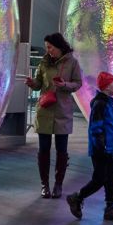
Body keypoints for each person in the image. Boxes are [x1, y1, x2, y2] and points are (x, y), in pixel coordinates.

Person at [67, 71, 113, 222]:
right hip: (101, 149)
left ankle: (110, 207)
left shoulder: (107, 102)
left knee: (111, 177)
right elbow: (96, 128)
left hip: (108, 148)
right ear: (107, 87)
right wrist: (102, 147)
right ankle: (77, 197)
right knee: (99, 179)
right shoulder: (100, 104)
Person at [27, 32, 82, 199]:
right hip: (44, 110)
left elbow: (78, 83)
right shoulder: (44, 63)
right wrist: (32, 84)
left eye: (50, 47)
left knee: (61, 151)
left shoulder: (72, 62)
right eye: (46, 47)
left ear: (58, 46)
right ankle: (45, 185)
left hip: (62, 111)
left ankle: (58, 184)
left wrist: (65, 84)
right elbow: (38, 84)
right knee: (43, 150)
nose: (48, 50)